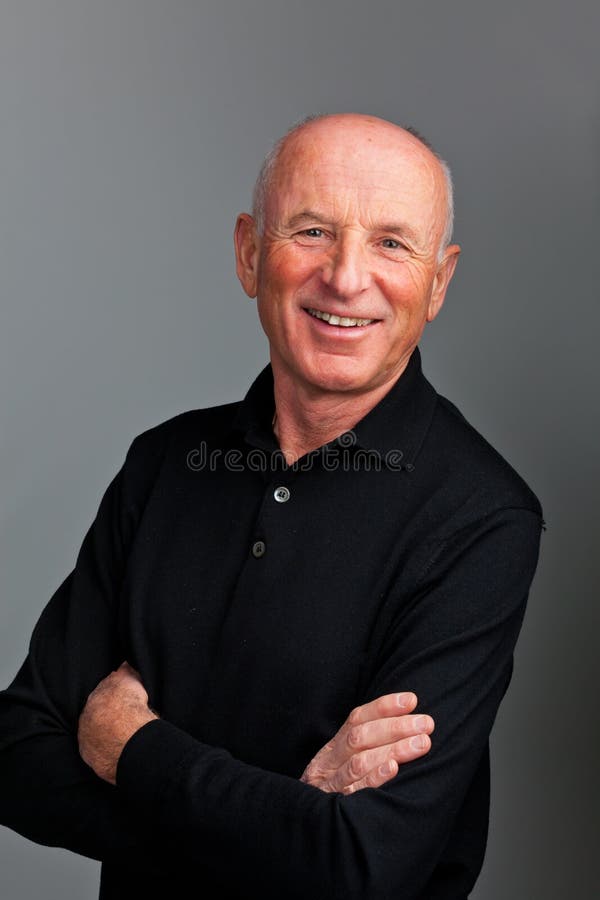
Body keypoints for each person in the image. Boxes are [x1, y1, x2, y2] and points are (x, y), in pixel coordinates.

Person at [0, 113, 543, 899]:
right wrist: (281, 827)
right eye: (313, 230)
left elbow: (366, 868)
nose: (347, 277)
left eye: (392, 242)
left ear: (440, 281)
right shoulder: (165, 464)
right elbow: (17, 752)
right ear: (251, 253)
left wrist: (135, 749)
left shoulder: (483, 520)